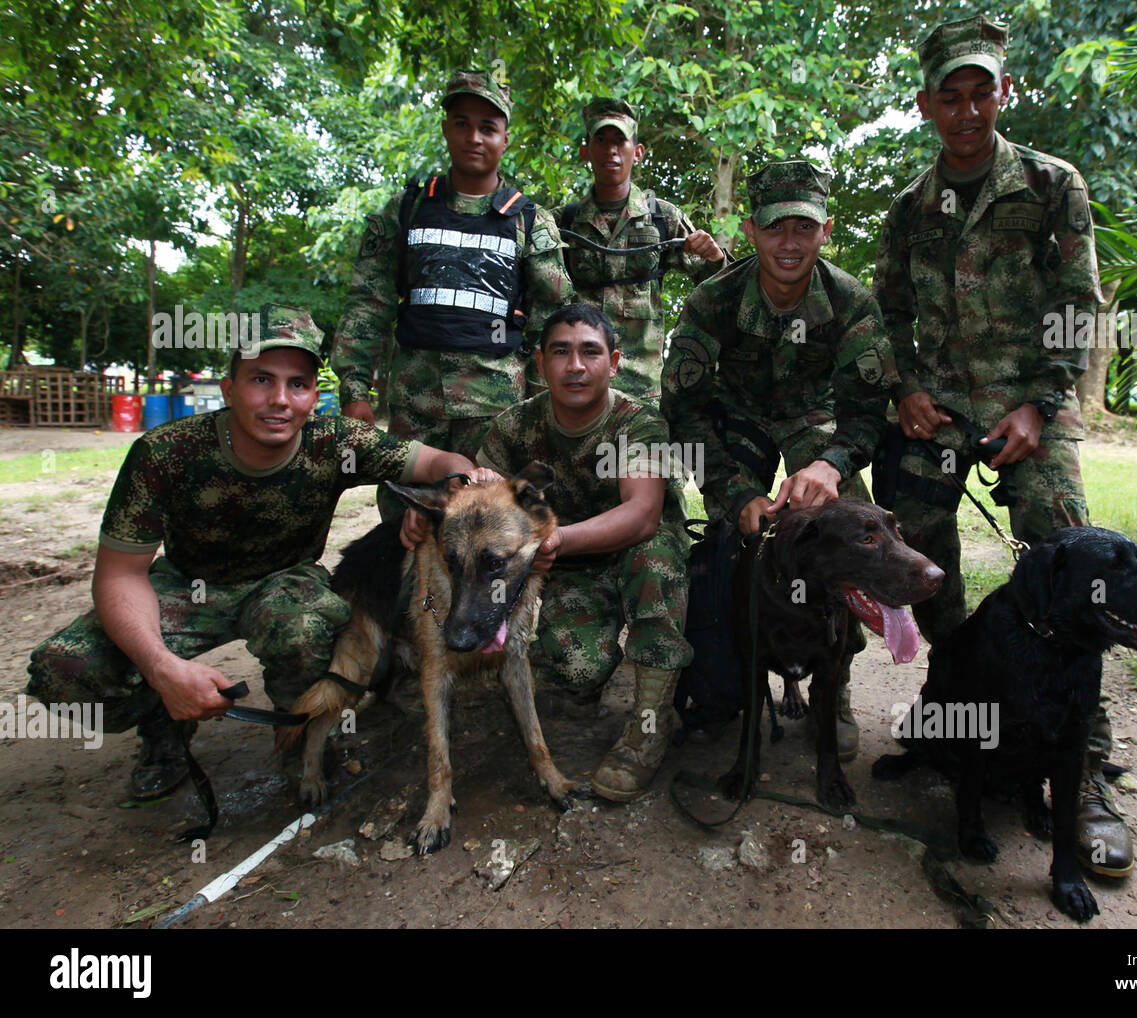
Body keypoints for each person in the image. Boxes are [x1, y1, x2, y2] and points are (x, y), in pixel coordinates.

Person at [27, 305, 485, 802]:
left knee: (308, 626)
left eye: (298, 384)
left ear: (315, 394)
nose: (280, 401)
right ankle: (164, 725)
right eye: (261, 380)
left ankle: (299, 736)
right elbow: (119, 576)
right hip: (186, 586)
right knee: (64, 669)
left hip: (283, 584)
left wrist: (446, 489)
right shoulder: (166, 453)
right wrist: (163, 669)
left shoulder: (335, 442)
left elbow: (444, 461)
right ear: (228, 389)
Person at [871, 16, 1127, 876]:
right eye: (952, 95)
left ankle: (1086, 772)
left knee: (1070, 555)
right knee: (909, 543)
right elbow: (886, 318)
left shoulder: (1054, 185)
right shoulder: (909, 209)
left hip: (1030, 410)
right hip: (940, 414)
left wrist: (1040, 404)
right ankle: (965, 714)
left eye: (982, 91)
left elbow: (1081, 306)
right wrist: (905, 389)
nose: (969, 109)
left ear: (1003, 93)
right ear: (926, 105)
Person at [661, 159, 898, 759]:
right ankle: (725, 668)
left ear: (825, 230)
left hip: (814, 417)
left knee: (851, 527)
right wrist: (737, 493)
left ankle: (833, 682)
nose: (789, 244)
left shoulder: (852, 302)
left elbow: (869, 411)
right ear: (749, 230)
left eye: (804, 227)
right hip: (736, 415)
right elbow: (684, 412)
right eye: (774, 228)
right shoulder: (712, 301)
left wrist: (834, 464)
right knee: (729, 534)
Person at [331, 68, 574, 518]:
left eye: (488, 127)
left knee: (491, 529)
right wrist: (354, 389)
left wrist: (544, 407)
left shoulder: (529, 221)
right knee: (407, 525)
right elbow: (368, 304)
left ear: (505, 138)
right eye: (461, 123)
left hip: (497, 411)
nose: (474, 137)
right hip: (413, 408)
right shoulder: (405, 211)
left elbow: (551, 321)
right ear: (446, 129)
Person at [476, 303, 693, 802]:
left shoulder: (637, 422)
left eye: (590, 352)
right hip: (566, 571)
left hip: (635, 558)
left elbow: (642, 514)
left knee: (656, 554)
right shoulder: (513, 429)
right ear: (539, 364)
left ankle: (649, 723)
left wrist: (552, 539)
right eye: (561, 352)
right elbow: (481, 506)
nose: (576, 366)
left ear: (614, 362)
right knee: (576, 674)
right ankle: (586, 676)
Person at [552, 97, 727, 400]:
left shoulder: (662, 217)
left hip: (641, 389)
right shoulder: (562, 222)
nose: (611, 150)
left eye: (621, 141)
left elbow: (718, 285)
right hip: (578, 384)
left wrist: (715, 257)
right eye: (601, 140)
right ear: (585, 152)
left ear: (638, 152)